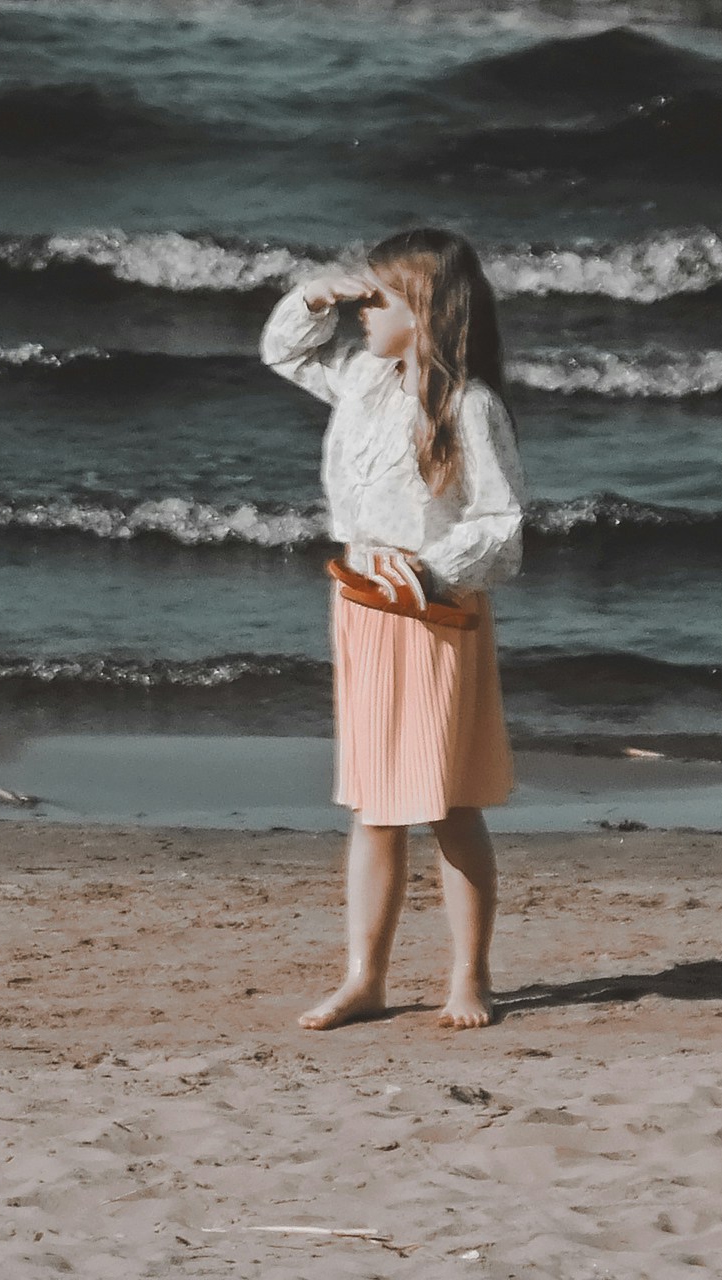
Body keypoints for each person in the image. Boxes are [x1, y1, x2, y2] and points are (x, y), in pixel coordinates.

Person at [260, 226, 525, 1032]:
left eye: (377, 297)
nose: (359, 308)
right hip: (364, 603)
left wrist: (436, 571)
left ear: (427, 310)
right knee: (374, 805)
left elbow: (502, 521)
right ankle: (364, 977)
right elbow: (286, 353)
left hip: (435, 609)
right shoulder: (365, 378)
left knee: (446, 801)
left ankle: (468, 977)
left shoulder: (469, 404)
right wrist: (316, 293)